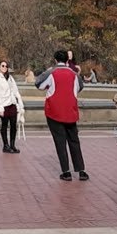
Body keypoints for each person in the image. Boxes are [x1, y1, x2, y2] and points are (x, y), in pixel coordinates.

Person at [36, 49, 85, 181]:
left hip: (55, 112)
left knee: (60, 142)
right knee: (74, 141)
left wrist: (48, 71)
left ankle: (66, 171)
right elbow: (80, 87)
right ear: (67, 60)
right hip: (71, 111)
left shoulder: (52, 72)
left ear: (55, 60)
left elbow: (39, 84)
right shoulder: (74, 74)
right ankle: (81, 170)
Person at [0, 60, 23, 154]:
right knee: (4, 125)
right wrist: (0, 109)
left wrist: (19, 101)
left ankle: (12, 145)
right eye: (2, 66)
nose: (4, 67)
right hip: (4, 105)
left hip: (12, 104)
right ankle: (5, 145)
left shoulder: (10, 78)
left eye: (6, 66)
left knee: (14, 125)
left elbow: (15, 90)